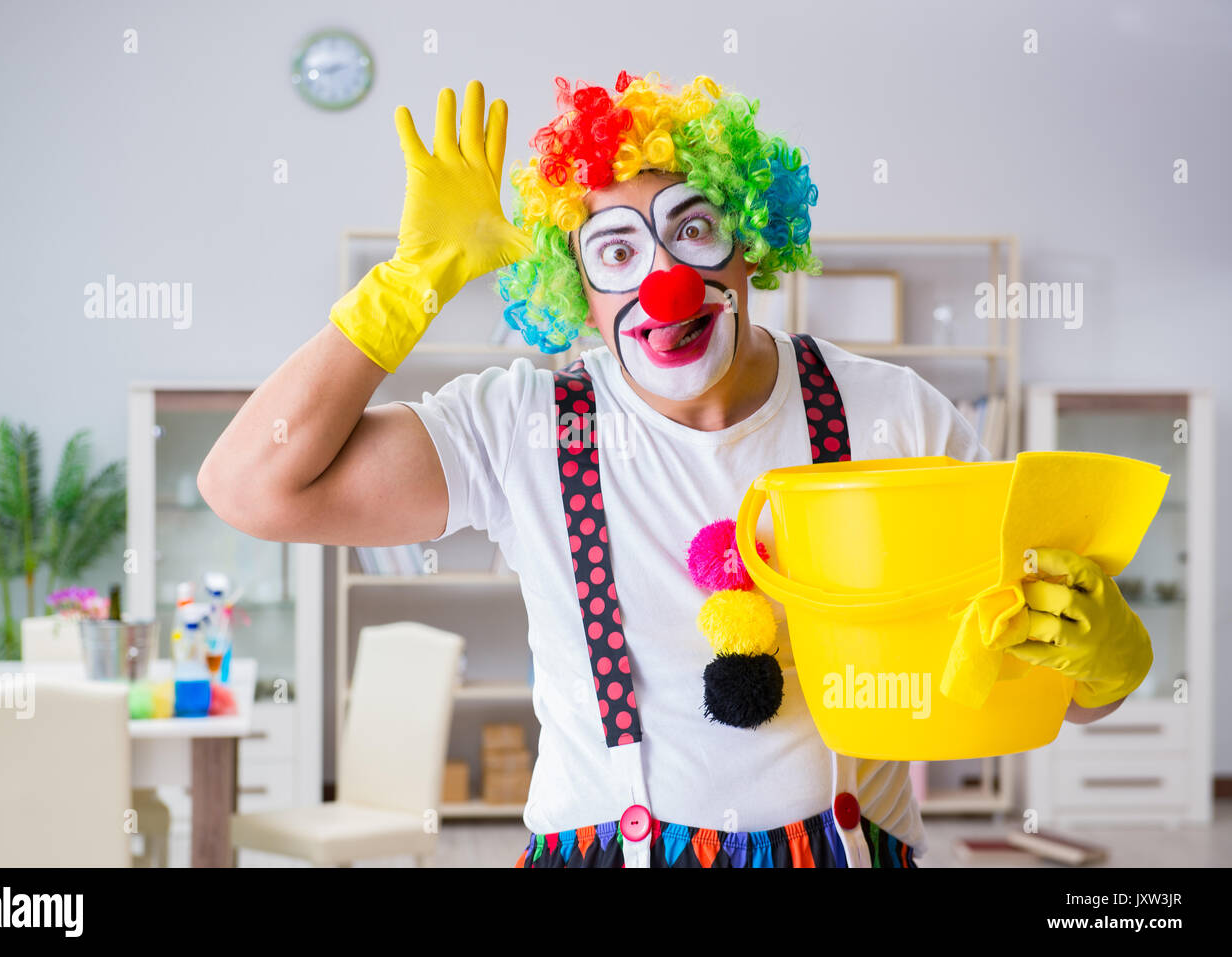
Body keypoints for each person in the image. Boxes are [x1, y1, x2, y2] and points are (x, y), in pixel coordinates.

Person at [198, 72, 1152, 868]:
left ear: (749, 246)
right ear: (576, 290)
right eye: (616, 250)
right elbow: (250, 486)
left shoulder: (894, 415)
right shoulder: (520, 425)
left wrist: (1109, 663)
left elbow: (1054, 684)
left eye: (692, 231)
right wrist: (405, 289)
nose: (666, 280)